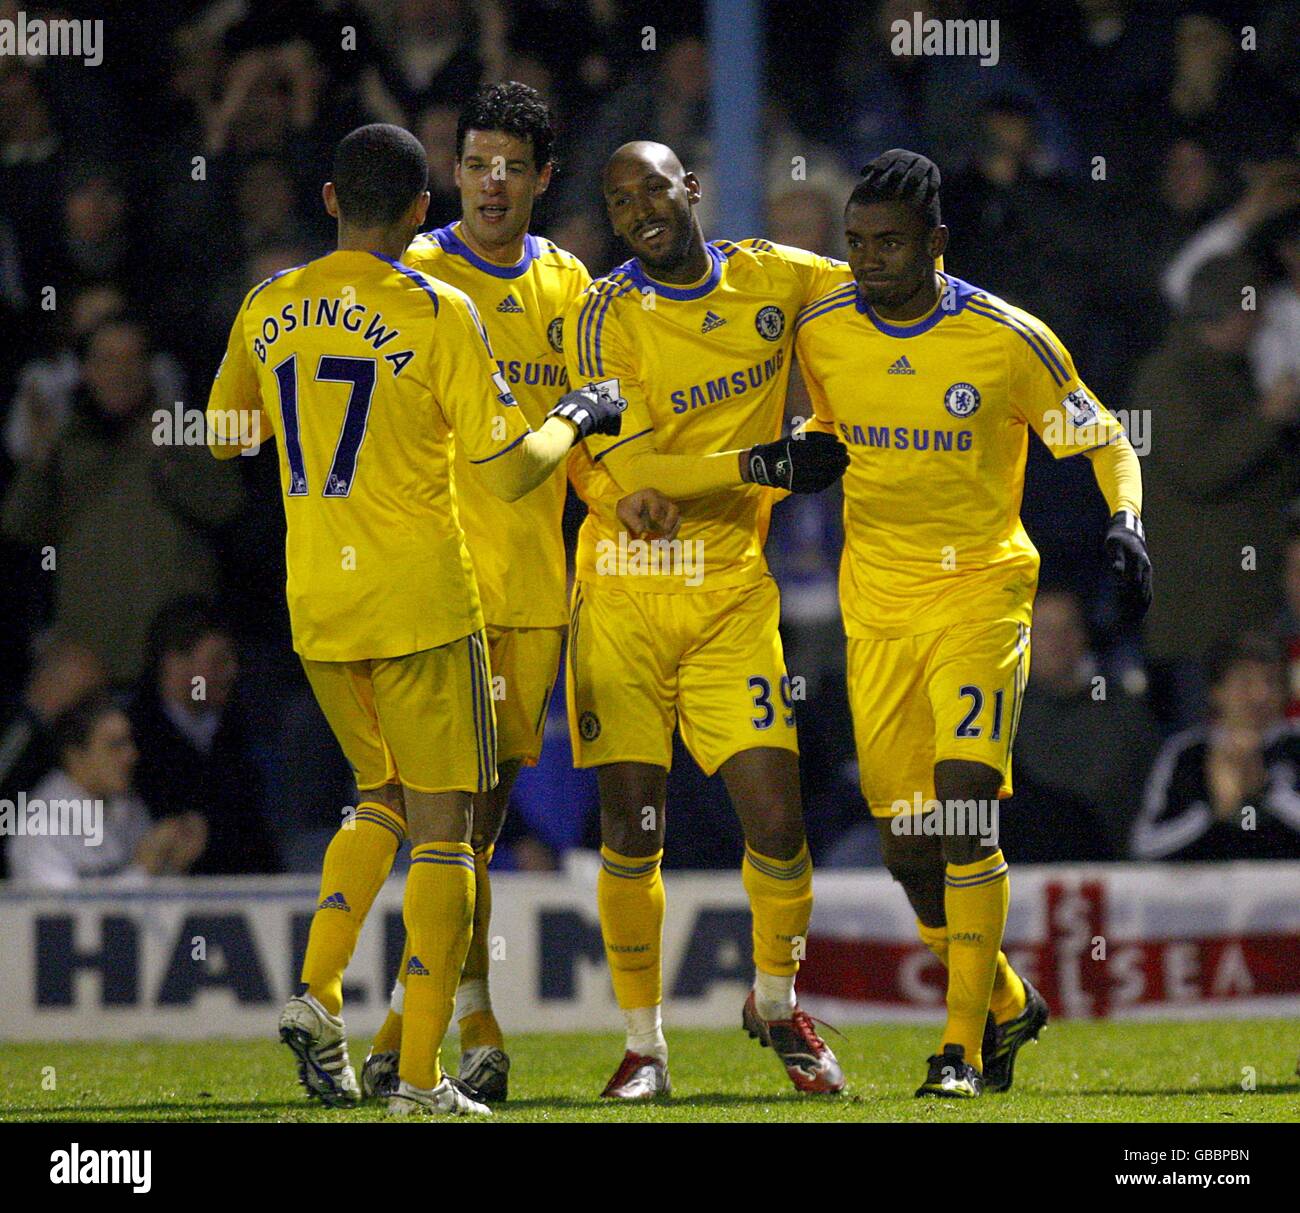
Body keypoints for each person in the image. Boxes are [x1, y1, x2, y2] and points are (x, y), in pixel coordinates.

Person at [205, 122, 623, 1118]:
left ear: (327, 199)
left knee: (379, 800)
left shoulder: (268, 304)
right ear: (423, 210)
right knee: (447, 838)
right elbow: (511, 467)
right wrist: (578, 414)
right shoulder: (435, 310)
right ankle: (423, 1076)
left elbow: (225, 438)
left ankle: (315, 994)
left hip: (318, 605)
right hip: (425, 604)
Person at [793, 148, 1151, 1098]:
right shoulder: (823, 330)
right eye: (856, 243)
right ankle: (1005, 997)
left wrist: (1126, 517)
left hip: (981, 593)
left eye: (890, 244)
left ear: (937, 243)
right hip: (875, 605)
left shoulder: (1006, 337)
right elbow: (829, 425)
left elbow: (1105, 436)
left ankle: (956, 1047)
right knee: (908, 853)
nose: (867, 261)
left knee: (962, 803)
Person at [362, 81, 675, 1104]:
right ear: (453, 174)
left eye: (512, 167)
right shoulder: (410, 273)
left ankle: (400, 1031)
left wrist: (617, 495)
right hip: (431, 586)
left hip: (533, 591)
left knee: (476, 828)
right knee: (440, 821)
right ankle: (467, 1028)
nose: (492, 183)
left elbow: (577, 434)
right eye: (475, 163)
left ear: (543, 180)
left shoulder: (570, 282)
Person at [563, 140, 852, 1099]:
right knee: (632, 826)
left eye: (654, 184)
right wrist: (767, 462)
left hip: (732, 593)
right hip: (626, 594)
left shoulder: (777, 277)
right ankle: (645, 1047)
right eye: (619, 197)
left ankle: (777, 1002)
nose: (640, 206)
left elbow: (884, 293)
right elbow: (642, 473)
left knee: (777, 817)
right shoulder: (605, 315)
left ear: (692, 189)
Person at [126, 596, 280, 875]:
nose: (232, 671)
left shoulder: (235, 731)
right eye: (218, 661)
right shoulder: (133, 738)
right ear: (174, 662)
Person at [7, 694, 206, 888]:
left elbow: (149, 904)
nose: (131, 755)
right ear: (75, 755)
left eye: (129, 743)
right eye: (115, 746)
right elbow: (66, 916)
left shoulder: (126, 804)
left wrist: (172, 864)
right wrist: (143, 868)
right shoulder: (40, 828)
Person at [1131, 633, 1300, 861]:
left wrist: (1268, 791)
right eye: (1245, 682)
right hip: (1206, 892)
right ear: (1216, 691)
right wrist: (1213, 812)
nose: (1261, 695)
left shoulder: (1294, 745)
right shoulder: (1187, 753)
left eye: (1272, 681)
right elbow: (1144, 845)